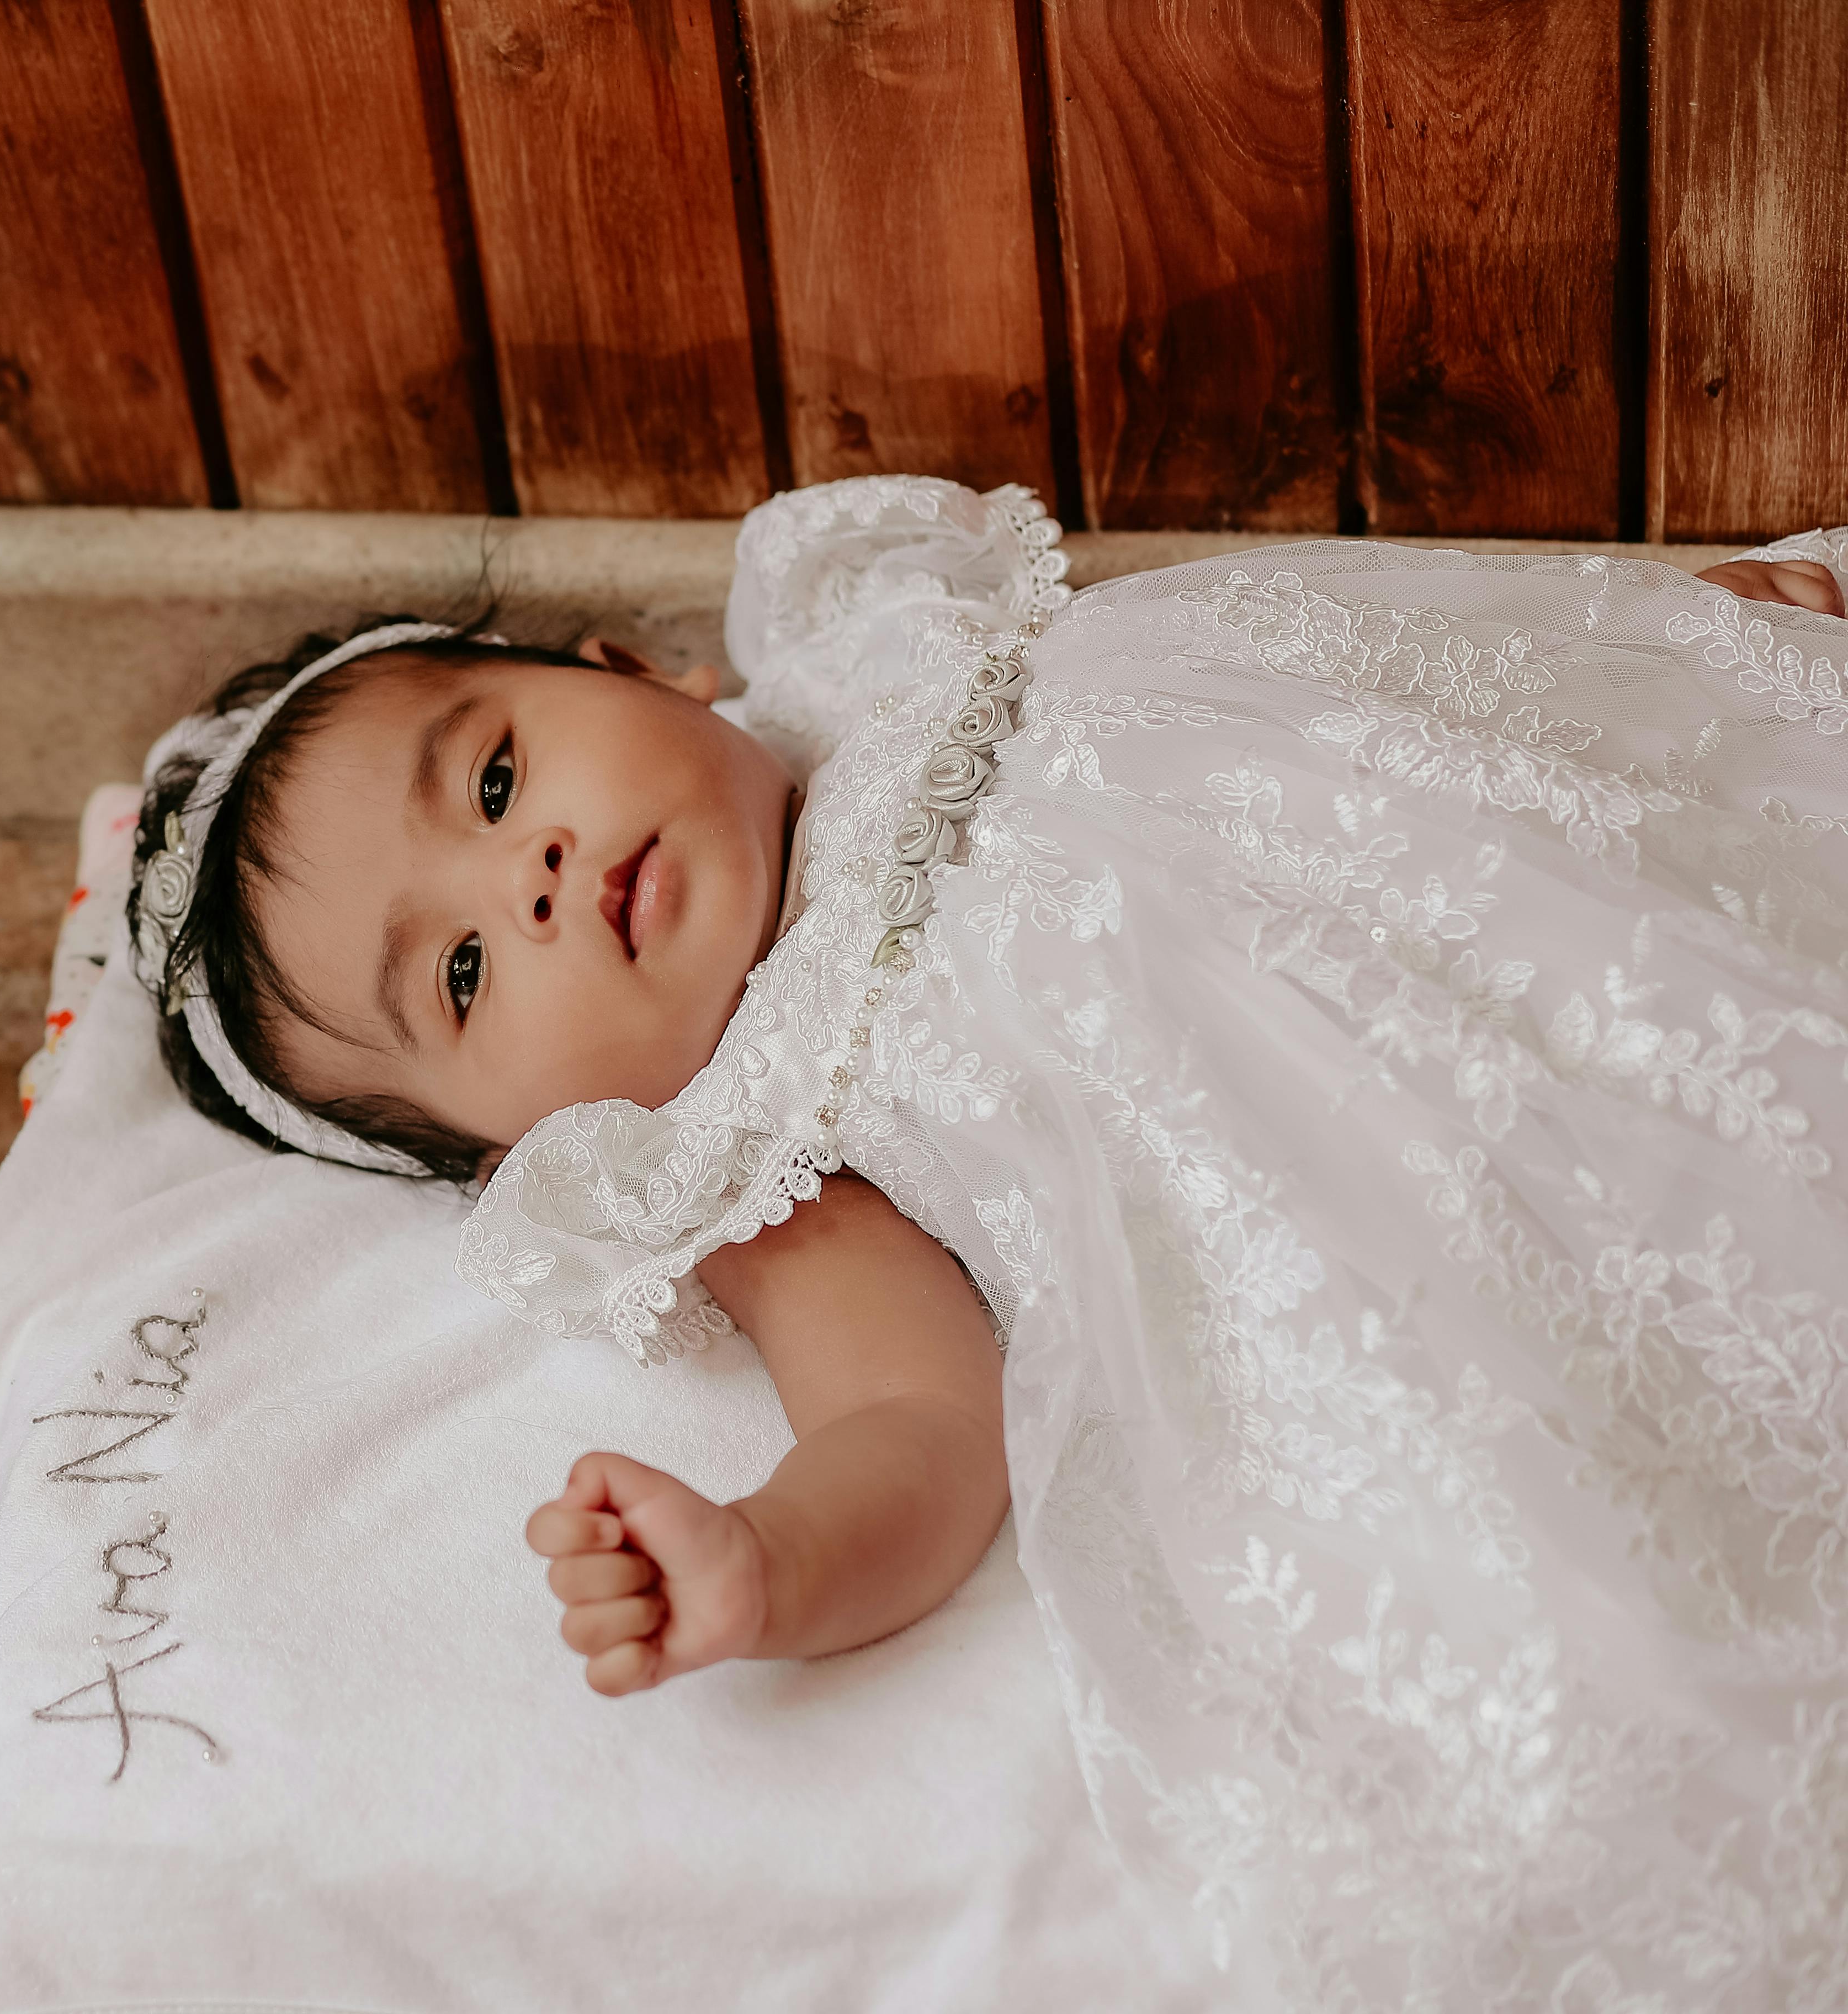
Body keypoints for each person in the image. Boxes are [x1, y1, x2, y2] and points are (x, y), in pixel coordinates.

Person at [125, 479, 1848, 2005]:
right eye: (467, 975)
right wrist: (767, 1559)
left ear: (623, 669)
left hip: (1516, 869)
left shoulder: (897, 649)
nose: (540, 877)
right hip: (1400, 1148)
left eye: (498, 777)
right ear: (521, 1149)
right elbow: (915, 1429)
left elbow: (1368, 657)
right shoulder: (764, 1128)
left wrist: (1648, 645)